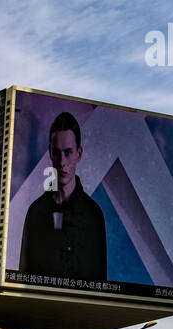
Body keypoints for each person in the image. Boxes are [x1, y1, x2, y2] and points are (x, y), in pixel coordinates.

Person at [18, 111, 107, 282]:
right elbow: (23, 279)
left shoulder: (93, 215)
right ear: (50, 153)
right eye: (57, 152)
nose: (62, 161)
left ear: (78, 154)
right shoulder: (35, 212)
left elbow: (100, 285)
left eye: (68, 152)